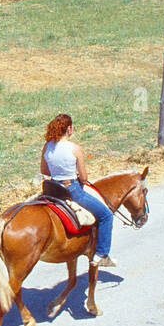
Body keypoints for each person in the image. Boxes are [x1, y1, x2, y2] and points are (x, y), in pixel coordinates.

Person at [40, 114, 117, 267]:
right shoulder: (75, 148)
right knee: (106, 215)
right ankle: (101, 254)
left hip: (52, 188)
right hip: (72, 189)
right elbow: (83, 178)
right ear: (69, 129)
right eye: (72, 127)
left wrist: (58, 173)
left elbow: (44, 170)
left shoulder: (47, 146)